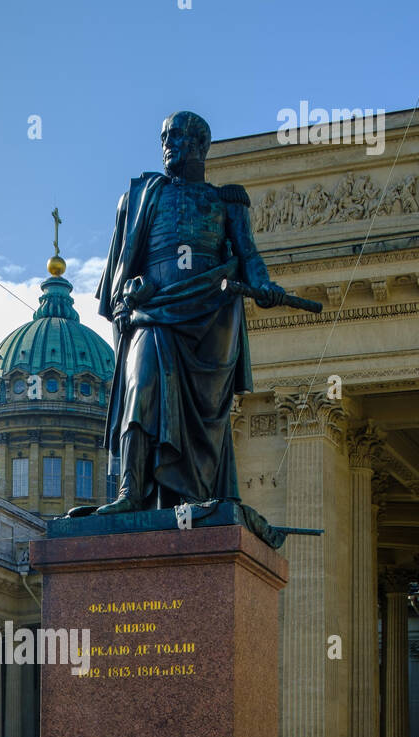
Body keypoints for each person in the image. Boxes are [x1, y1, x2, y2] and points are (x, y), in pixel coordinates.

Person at [95, 110, 286, 514]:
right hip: (153, 314)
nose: (168, 145)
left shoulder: (225, 200)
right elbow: (118, 275)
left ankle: (195, 494)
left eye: (178, 137)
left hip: (207, 318)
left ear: (201, 145)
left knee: (204, 418)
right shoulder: (139, 199)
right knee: (141, 386)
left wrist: (264, 286)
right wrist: (129, 292)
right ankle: (131, 490)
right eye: (165, 137)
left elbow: (248, 255)